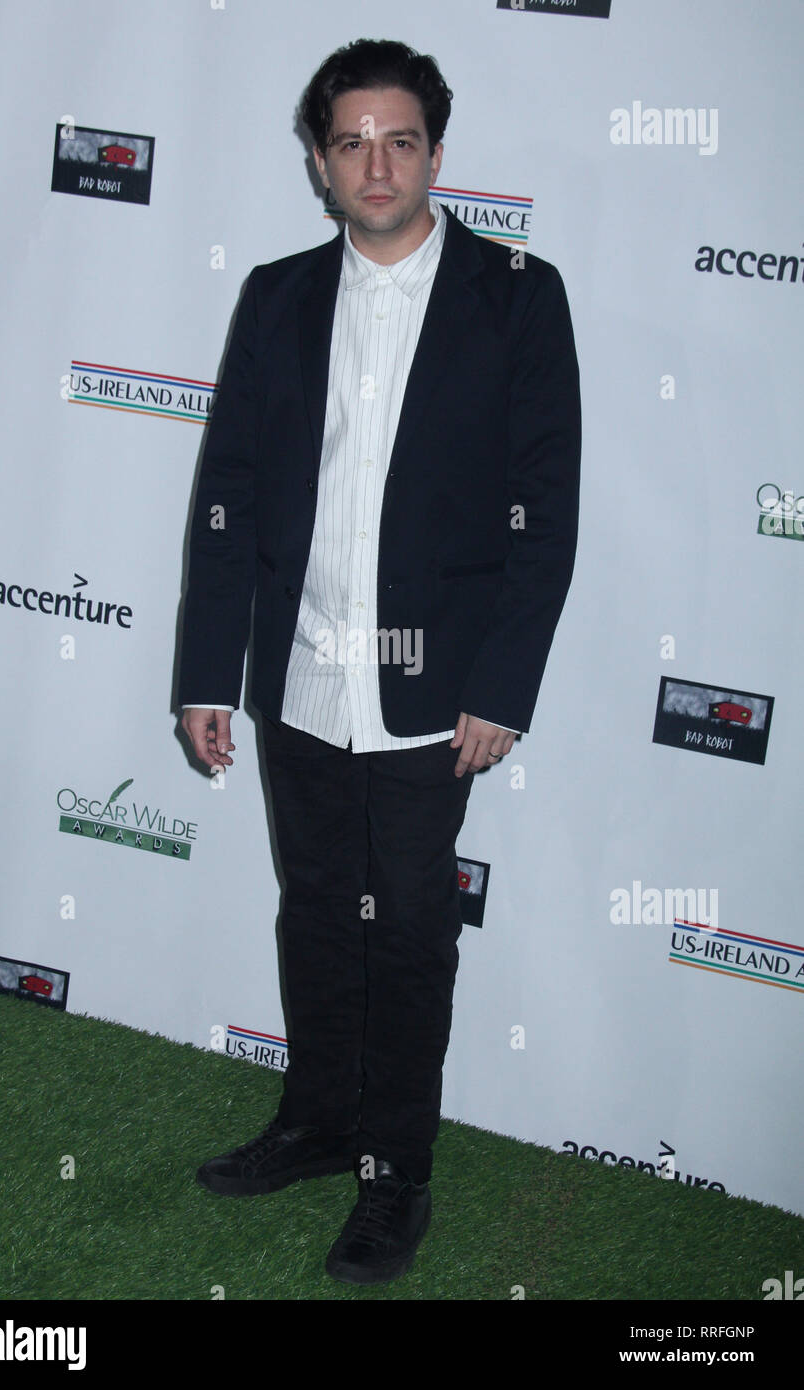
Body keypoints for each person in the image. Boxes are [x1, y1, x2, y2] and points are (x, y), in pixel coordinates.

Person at [178, 37, 580, 1286]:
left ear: (435, 154)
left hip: (427, 691)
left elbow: (543, 506)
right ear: (317, 159)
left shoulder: (517, 292)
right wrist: (204, 671)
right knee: (315, 910)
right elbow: (228, 496)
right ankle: (317, 1120)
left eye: (398, 138)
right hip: (298, 678)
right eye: (349, 139)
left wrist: (500, 688)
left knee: (406, 931)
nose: (375, 161)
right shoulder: (278, 295)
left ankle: (393, 1173)